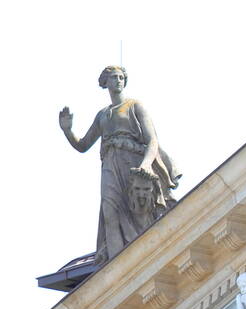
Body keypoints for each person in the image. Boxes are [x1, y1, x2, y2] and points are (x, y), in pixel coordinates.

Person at [59, 66, 182, 263]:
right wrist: (67, 130)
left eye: (121, 77)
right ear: (105, 82)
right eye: (114, 78)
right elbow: (83, 145)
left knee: (138, 209)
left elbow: (152, 140)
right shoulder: (103, 114)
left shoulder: (134, 106)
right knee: (110, 209)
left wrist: (147, 165)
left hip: (133, 161)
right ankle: (116, 263)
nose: (118, 81)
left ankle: (140, 254)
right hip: (110, 164)